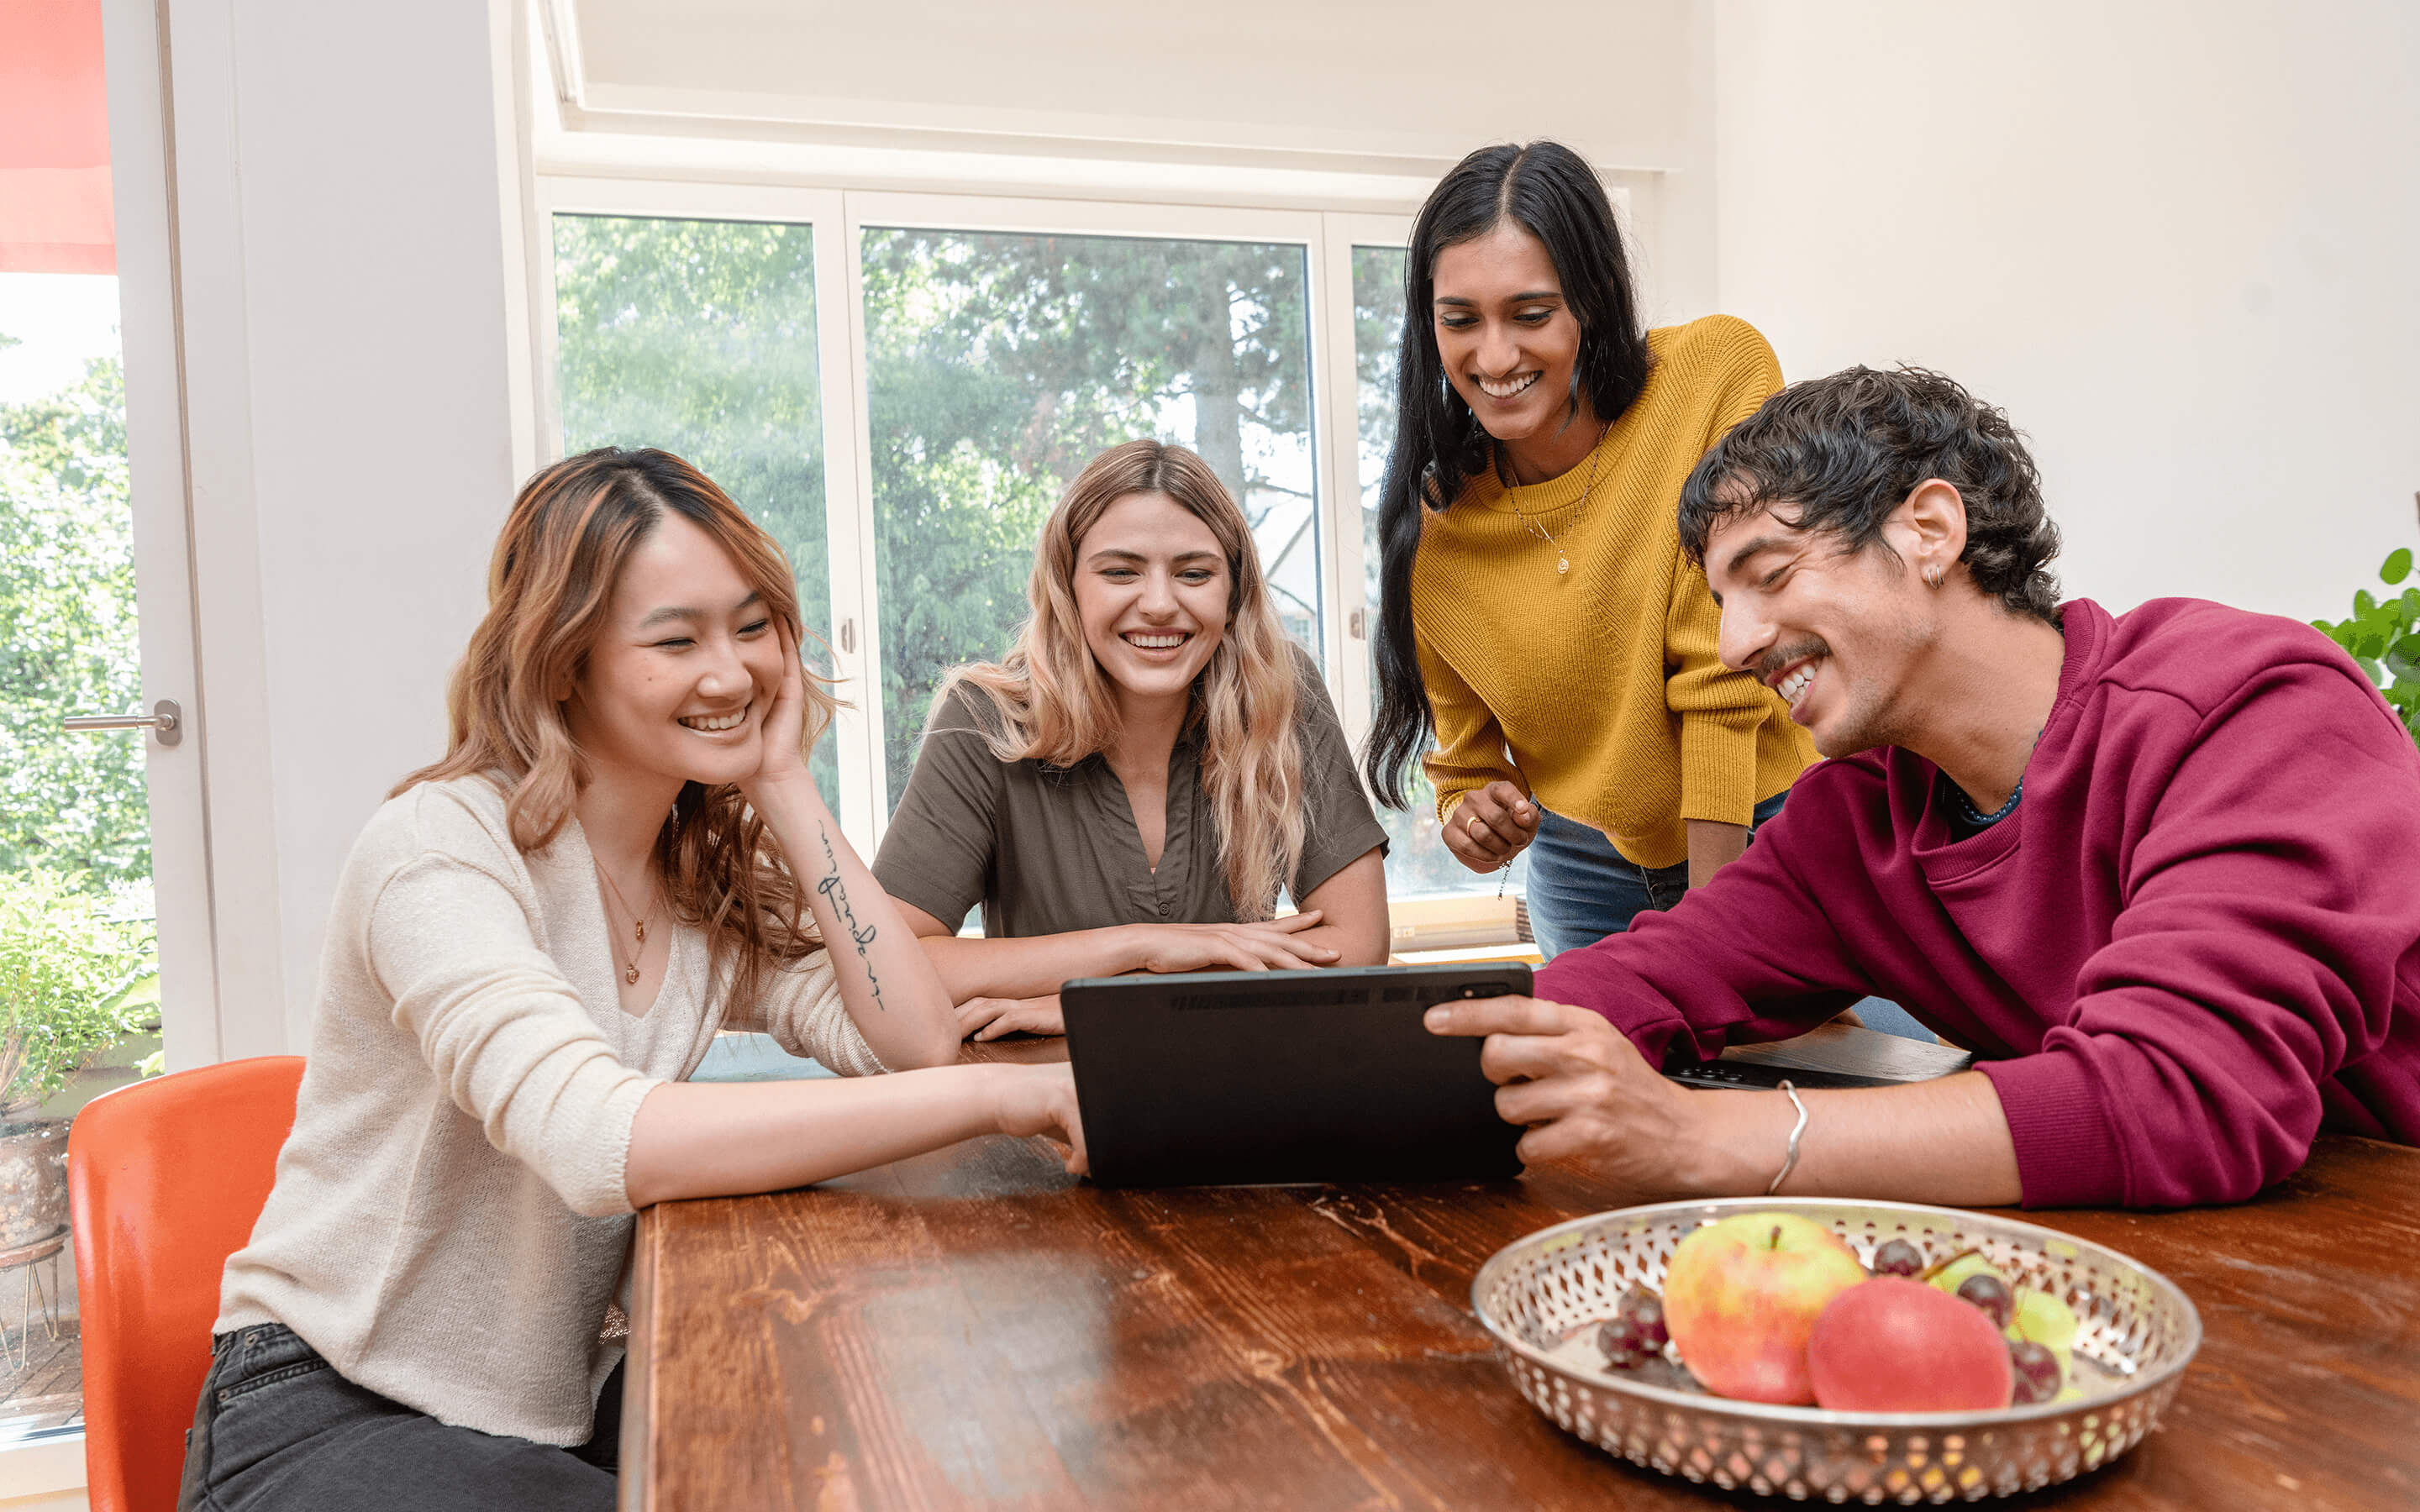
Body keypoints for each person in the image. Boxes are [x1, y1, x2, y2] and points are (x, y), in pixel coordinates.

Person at [178, 449, 1086, 1510]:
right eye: (676, 639)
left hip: (553, 1412)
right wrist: (1003, 1091)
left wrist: (788, 786)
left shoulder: (699, 873)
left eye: (752, 628)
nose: (731, 673)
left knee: (882, 1459)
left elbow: (912, 1034)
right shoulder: (441, 850)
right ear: (564, 661)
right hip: (328, 1408)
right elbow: (597, 1137)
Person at [1424, 366, 2420, 1209]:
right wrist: (1378, 1058)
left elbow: (2176, 1094)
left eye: (1767, 574)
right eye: (1722, 602)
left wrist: (1706, 1138)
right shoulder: (1855, 821)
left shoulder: (2251, 709)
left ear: (1929, 530)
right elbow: (1648, 977)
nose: (1733, 645)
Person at [1363, 139, 1818, 962]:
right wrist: (1475, 813)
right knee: (1605, 1088)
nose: (1493, 358)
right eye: (1460, 320)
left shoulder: (1713, 375)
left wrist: (1717, 941)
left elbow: (1727, 674)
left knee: (1814, 1080)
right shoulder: (1435, 527)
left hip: (1768, 826)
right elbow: (1465, 758)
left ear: (1593, 298)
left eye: (1531, 314)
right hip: (1582, 868)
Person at [875, 439, 1391, 1042]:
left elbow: (1356, 945)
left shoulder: (1280, 694)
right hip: (1041, 1096)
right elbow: (890, 965)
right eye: (1120, 571)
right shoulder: (983, 719)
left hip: (1242, 1077)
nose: (1158, 604)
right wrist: (1148, 946)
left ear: (1233, 593)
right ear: (1068, 585)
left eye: (1194, 573)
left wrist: (1101, 1004)